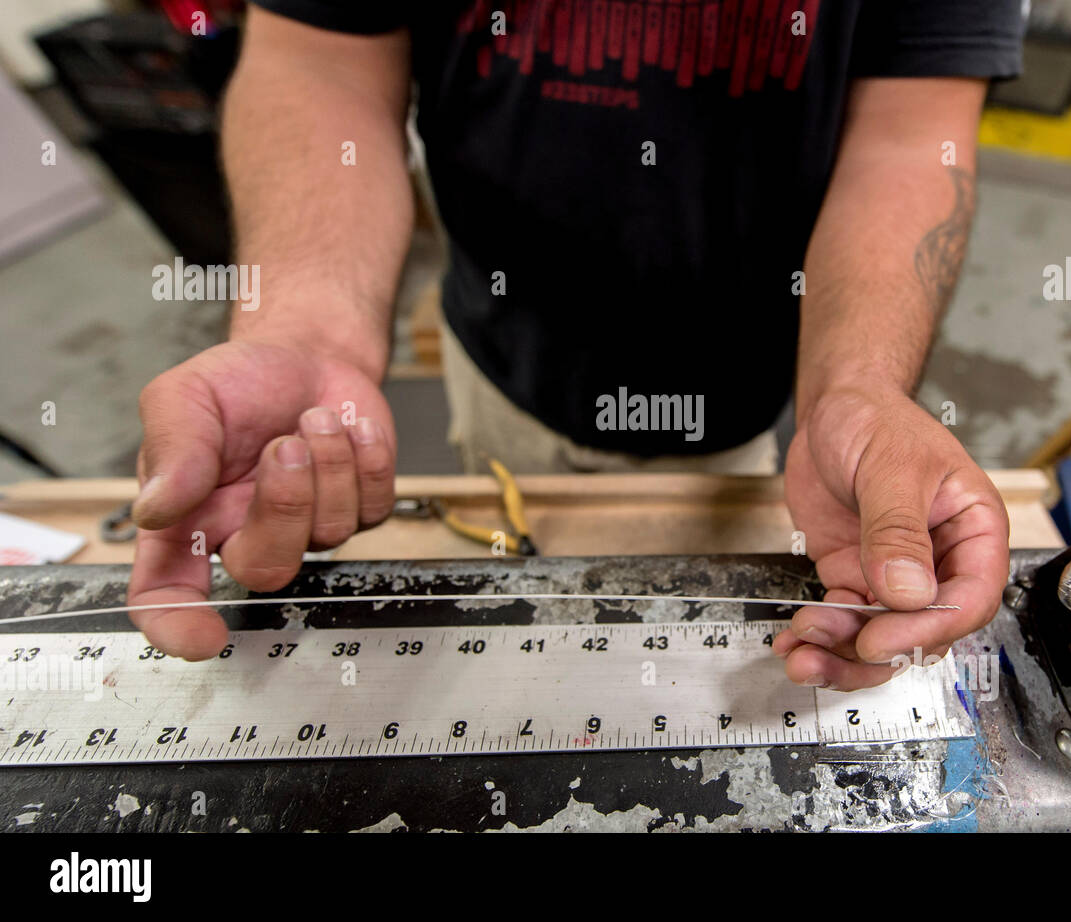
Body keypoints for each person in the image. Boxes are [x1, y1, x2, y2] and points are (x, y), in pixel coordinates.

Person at [127, 1, 1021, 691]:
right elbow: (320, 55)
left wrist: (856, 387)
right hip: (501, 357)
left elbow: (913, 129)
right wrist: (301, 331)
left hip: (741, 397)